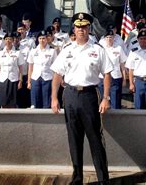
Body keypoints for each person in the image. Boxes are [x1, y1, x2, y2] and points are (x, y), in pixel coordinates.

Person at [51, 12, 112, 185]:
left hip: (89, 96)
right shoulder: (67, 50)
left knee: (95, 139)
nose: (81, 30)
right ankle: (77, 178)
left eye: (84, 26)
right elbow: (57, 74)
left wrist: (106, 97)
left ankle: (103, 179)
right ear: (74, 28)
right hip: (70, 96)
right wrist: (54, 98)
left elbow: (107, 74)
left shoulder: (97, 50)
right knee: (74, 139)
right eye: (78, 27)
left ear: (89, 28)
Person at [27, 30, 57, 108]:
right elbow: (30, 67)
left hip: (47, 78)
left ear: (47, 39)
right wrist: (29, 82)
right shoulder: (33, 51)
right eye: (40, 38)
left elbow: (55, 67)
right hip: (35, 78)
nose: (42, 40)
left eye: (43, 38)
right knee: (35, 102)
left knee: (46, 102)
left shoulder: (52, 51)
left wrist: (54, 81)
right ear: (37, 39)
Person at [0, 33, 25, 108]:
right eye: (6, 39)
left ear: (13, 41)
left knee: (13, 103)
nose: (8, 41)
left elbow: (21, 68)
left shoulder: (17, 52)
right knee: (3, 102)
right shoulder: (0, 52)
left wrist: (20, 81)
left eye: (10, 39)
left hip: (13, 79)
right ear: (4, 41)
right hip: (2, 79)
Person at [100, 30, 127, 109]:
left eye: (110, 37)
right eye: (107, 37)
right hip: (103, 78)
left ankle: (116, 120)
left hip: (115, 78)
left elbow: (122, 65)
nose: (109, 39)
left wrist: (124, 79)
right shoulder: (101, 49)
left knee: (115, 103)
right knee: (103, 102)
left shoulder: (118, 49)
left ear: (113, 38)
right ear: (104, 39)